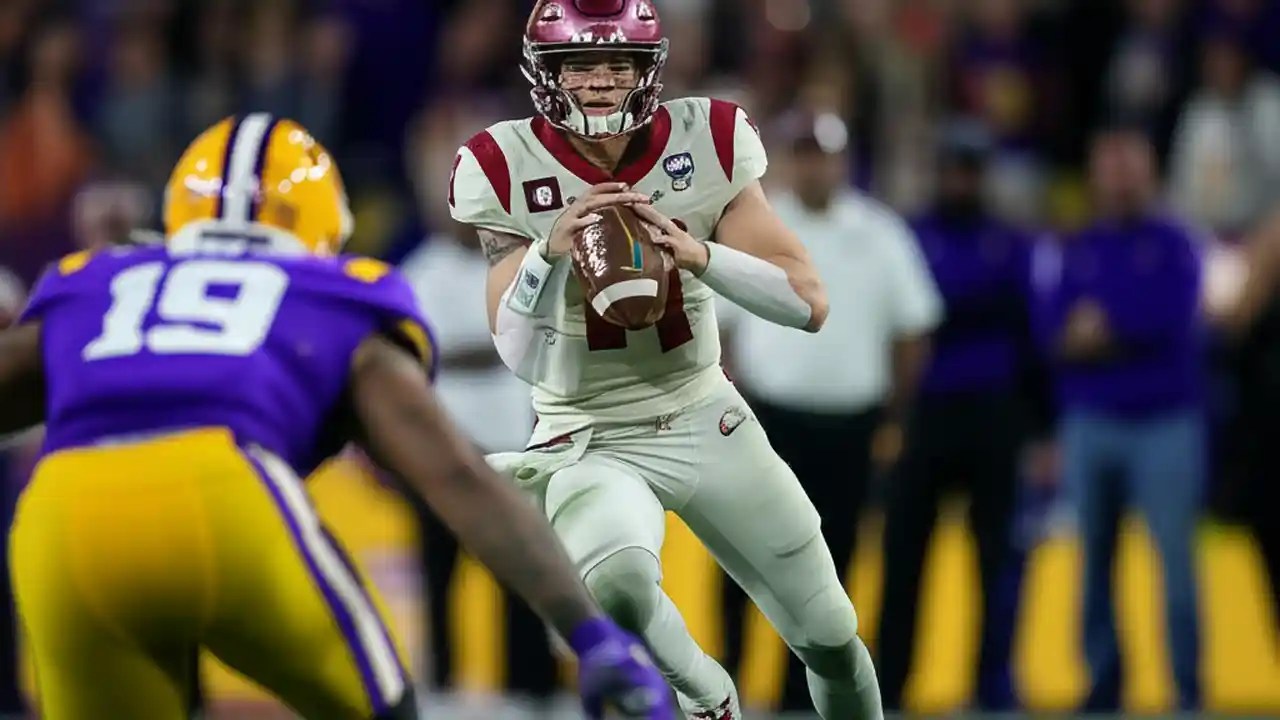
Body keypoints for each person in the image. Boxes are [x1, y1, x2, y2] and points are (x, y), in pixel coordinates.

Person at [0, 114, 672, 720]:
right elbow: (456, 475)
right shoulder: (331, 294)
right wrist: (587, 631)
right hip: (221, 492)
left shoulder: (97, 281)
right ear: (324, 224)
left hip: (61, 512)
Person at [448, 2, 883, 719]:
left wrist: (701, 255)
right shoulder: (501, 164)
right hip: (587, 432)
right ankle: (704, 690)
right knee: (618, 579)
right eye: (578, 65)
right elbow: (517, 354)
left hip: (702, 408)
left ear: (647, 68)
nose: (598, 81)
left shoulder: (706, 139)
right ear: (544, 72)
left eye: (617, 62)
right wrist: (546, 257)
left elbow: (809, 303)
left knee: (832, 636)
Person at [718, 110, 939, 712]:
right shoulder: (756, 225)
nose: (814, 166)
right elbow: (724, 327)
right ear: (788, 160)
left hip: (850, 423)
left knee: (829, 563)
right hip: (769, 419)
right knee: (743, 554)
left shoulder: (878, 230)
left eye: (825, 154)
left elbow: (912, 331)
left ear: (843, 161)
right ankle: (728, 684)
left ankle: (801, 695)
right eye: (804, 154)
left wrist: (894, 415)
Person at [877, 120, 1043, 712]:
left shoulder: (1010, 240)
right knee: (904, 558)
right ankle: (890, 688)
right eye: (953, 167)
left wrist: (1041, 428)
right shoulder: (909, 234)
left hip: (995, 414)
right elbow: (901, 315)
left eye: (971, 169)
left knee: (997, 562)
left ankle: (993, 688)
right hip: (925, 412)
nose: (961, 179)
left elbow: (1030, 333)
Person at [1038, 126, 1205, 712]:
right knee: (1094, 562)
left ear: (1151, 172)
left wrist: (1106, 328)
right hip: (1091, 423)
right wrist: (1101, 331)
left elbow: (1173, 317)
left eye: (1130, 165)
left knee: (1177, 563)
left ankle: (1188, 688)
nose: (1120, 177)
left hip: (1166, 423)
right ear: (1093, 176)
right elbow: (1052, 327)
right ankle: (1104, 684)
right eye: (1110, 166)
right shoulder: (1077, 244)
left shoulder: (1176, 241)